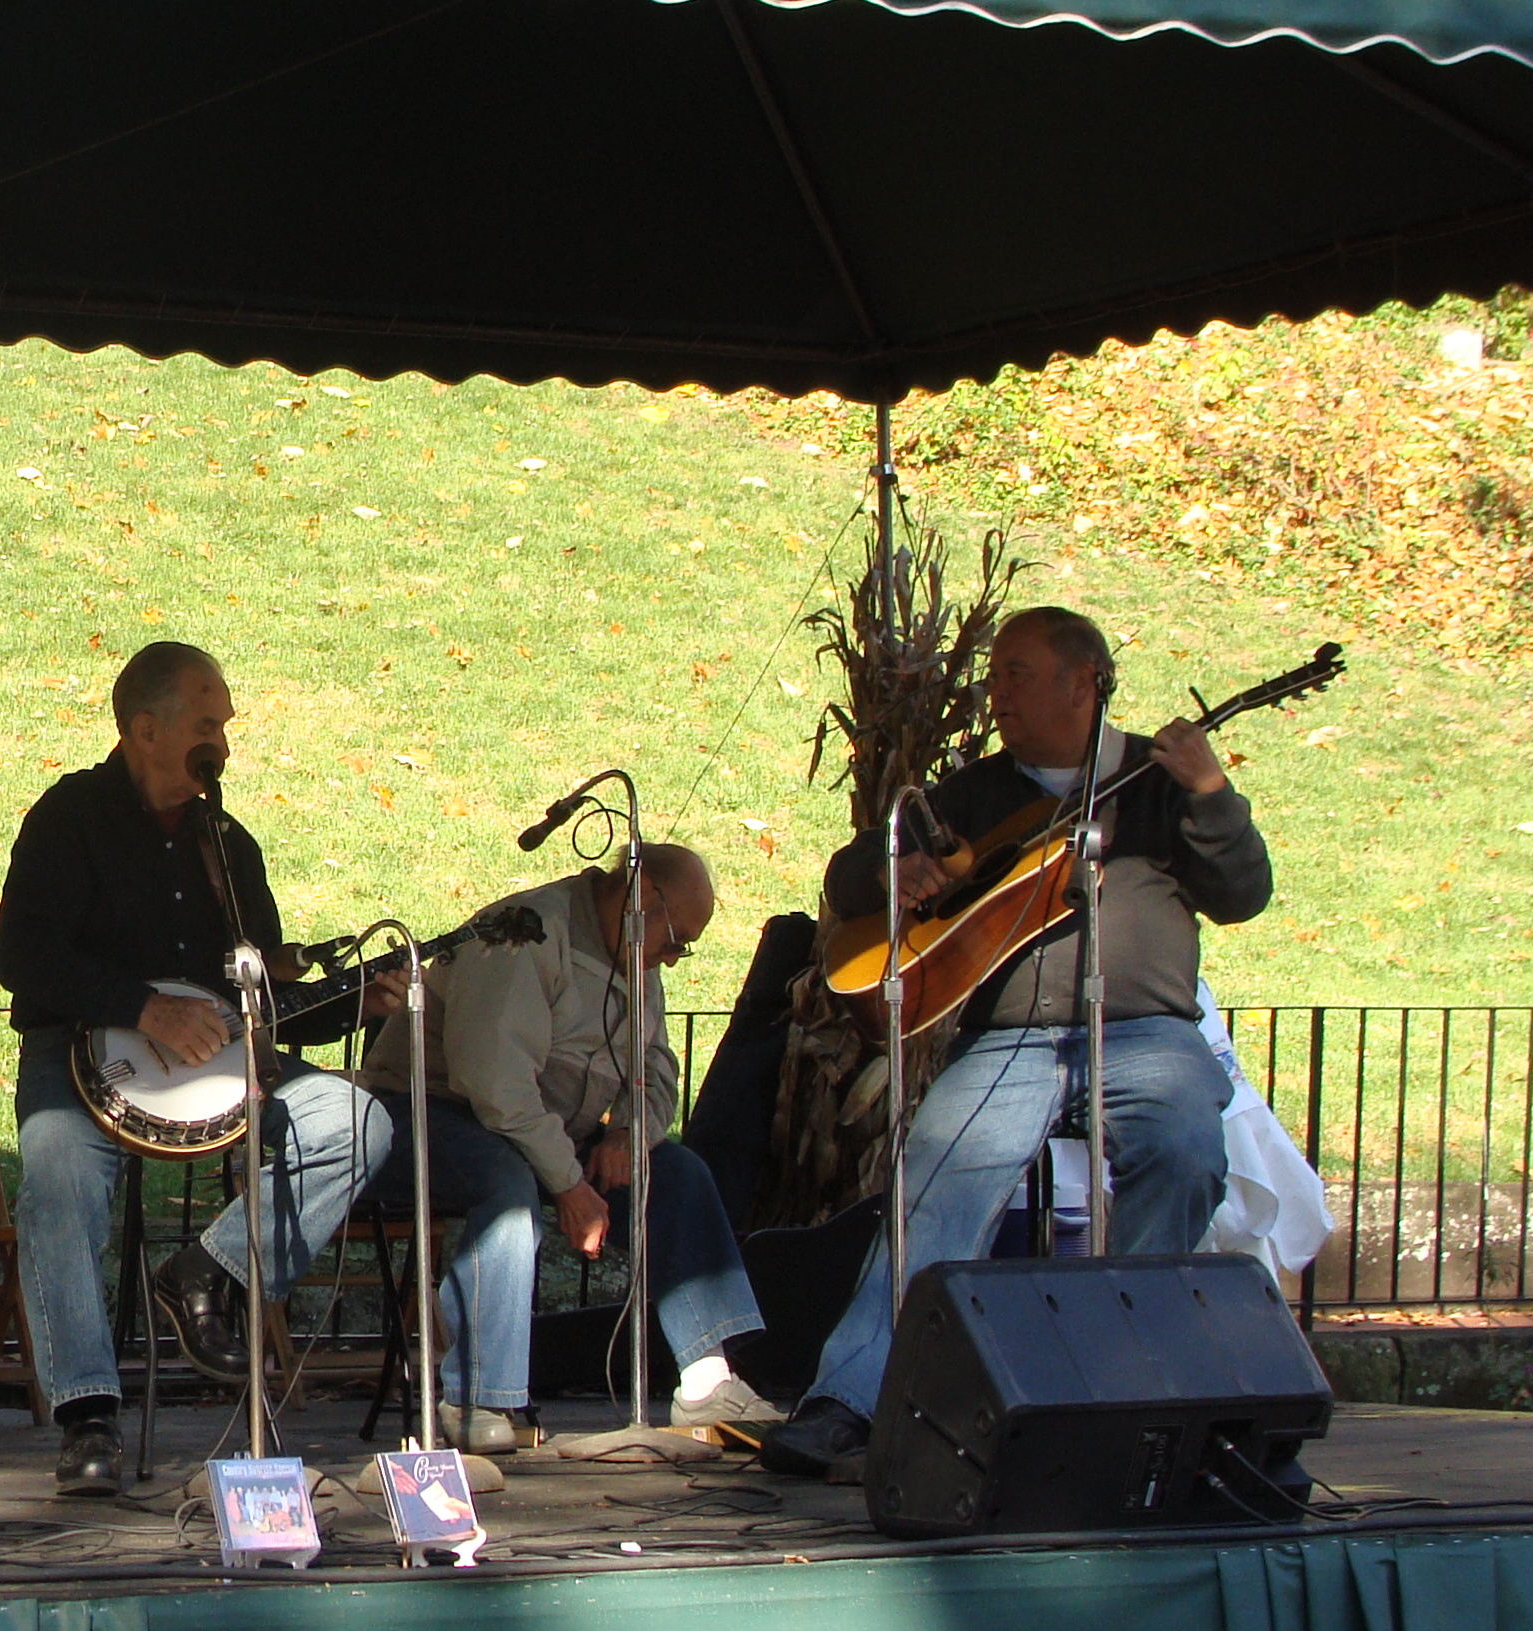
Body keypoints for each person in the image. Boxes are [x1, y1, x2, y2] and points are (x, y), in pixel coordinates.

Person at [759, 605, 1275, 1478]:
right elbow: (848, 878)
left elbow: (1243, 895)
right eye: (995, 674)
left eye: (1017, 674)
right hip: (1013, 1038)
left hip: (1145, 1031)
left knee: (1185, 1150)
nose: (995, 692)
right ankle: (847, 1399)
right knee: (936, 1182)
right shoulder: (975, 792)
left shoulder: (1156, 785)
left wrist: (1212, 796)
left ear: (1085, 683)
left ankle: (1131, 1385)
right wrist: (894, 872)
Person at [0, 642, 403, 1497]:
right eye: (206, 724)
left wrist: (353, 1004)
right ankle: (87, 1415)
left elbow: (262, 995)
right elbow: (21, 956)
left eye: (224, 726)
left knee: (356, 1119)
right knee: (58, 1175)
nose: (222, 741)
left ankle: (209, 1271)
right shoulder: (69, 818)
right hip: (80, 1054)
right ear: (144, 729)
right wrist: (141, 1007)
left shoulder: (226, 843)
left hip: (219, 1061)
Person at [360, 844, 787, 1453]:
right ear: (643, 897)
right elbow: (495, 1086)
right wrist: (569, 1183)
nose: (674, 957)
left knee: (676, 1173)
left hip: (542, 1126)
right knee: (505, 1189)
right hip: (431, 1111)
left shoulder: (637, 953)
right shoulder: (525, 934)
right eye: (677, 940)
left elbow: (656, 1068)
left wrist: (627, 1135)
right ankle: (479, 1396)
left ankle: (706, 1378)